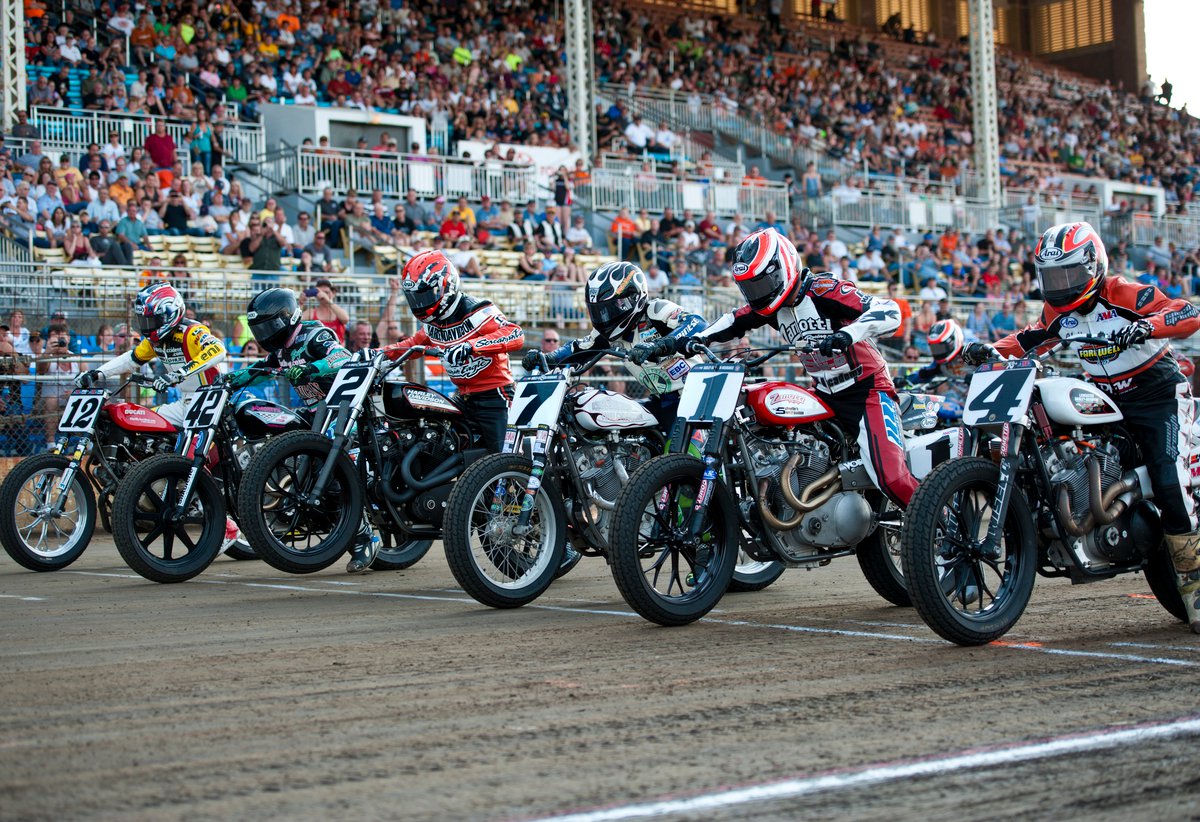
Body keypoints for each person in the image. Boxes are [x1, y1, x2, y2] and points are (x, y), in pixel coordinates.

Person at [963, 222, 1200, 633]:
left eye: (1068, 274)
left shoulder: (1126, 293)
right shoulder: (1057, 313)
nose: (1060, 285)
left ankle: (1194, 583)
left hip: (1157, 394)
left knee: (1168, 475)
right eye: (1052, 277)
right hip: (1107, 399)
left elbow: (1188, 312)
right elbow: (1028, 339)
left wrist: (1147, 326)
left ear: (1093, 265)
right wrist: (989, 351)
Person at [657, 228, 917, 507]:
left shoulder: (825, 291)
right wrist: (696, 339)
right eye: (750, 287)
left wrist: (848, 334)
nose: (757, 294)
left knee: (891, 478)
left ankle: (937, 522)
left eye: (762, 283)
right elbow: (733, 320)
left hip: (867, 390)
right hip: (823, 393)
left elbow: (890, 310)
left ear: (783, 267)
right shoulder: (770, 308)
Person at [223, 288, 378, 573]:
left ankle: (365, 536)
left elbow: (341, 357)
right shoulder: (282, 351)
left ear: (287, 319)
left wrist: (311, 369)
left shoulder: (314, 335)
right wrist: (232, 379)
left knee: (332, 469)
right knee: (287, 441)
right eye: (260, 329)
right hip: (315, 413)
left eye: (268, 326)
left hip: (344, 410)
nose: (264, 334)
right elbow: (259, 369)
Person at [527, 261, 707, 432]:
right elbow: (578, 349)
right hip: (659, 400)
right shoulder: (607, 334)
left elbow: (697, 322)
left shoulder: (656, 310)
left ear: (633, 298)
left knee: (678, 450)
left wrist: (661, 344)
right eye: (599, 310)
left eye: (611, 308)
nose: (604, 316)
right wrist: (547, 358)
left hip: (691, 396)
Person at [379, 250, 524, 452]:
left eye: (425, 296)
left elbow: (515, 334)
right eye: (415, 298)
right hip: (463, 398)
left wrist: (471, 346)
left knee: (505, 458)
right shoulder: (434, 323)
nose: (420, 303)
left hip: (496, 398)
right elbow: (412, 345)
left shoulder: (477, 310)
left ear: (445, 287)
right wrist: (378, 354)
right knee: (435, 442)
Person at [75, 282, 226, 428]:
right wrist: (97, 373)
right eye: (144, 321)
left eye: (152, 320)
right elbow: (131, 359)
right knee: (141, 424)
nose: (147, 326)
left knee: (193, 444)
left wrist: (180, 373)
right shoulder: (154, 342)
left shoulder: (191, 331)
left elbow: (218, 349)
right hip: (184, 402)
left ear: (168, 315)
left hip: (209, 400)